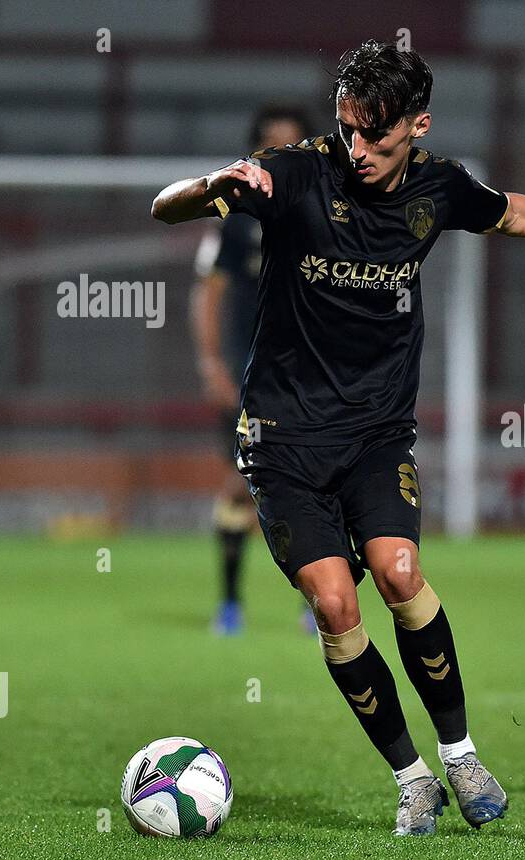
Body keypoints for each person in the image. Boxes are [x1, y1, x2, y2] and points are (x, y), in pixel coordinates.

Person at [153, 39, 525, 835]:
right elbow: (166, 206)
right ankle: (412, 777)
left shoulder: (438, 186)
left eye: (376, 134)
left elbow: (506, 209)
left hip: (375, 435)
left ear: (417, 125)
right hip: (283, 438)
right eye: (348, 129)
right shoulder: (296, 172)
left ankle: (461, 755)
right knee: (333, 603)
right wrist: (214, 186)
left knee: (398, 571)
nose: (357, 148)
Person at [191, 105, 310, 637]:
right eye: (270, 142)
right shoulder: (237, 217)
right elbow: (209, 292)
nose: (280, 152)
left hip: (310, 374)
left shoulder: (324, 210)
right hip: (249, 371)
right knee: (240, 483)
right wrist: (211, 362)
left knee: (313, 485)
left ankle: (318, 604)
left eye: (291, 142)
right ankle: (230, 604)